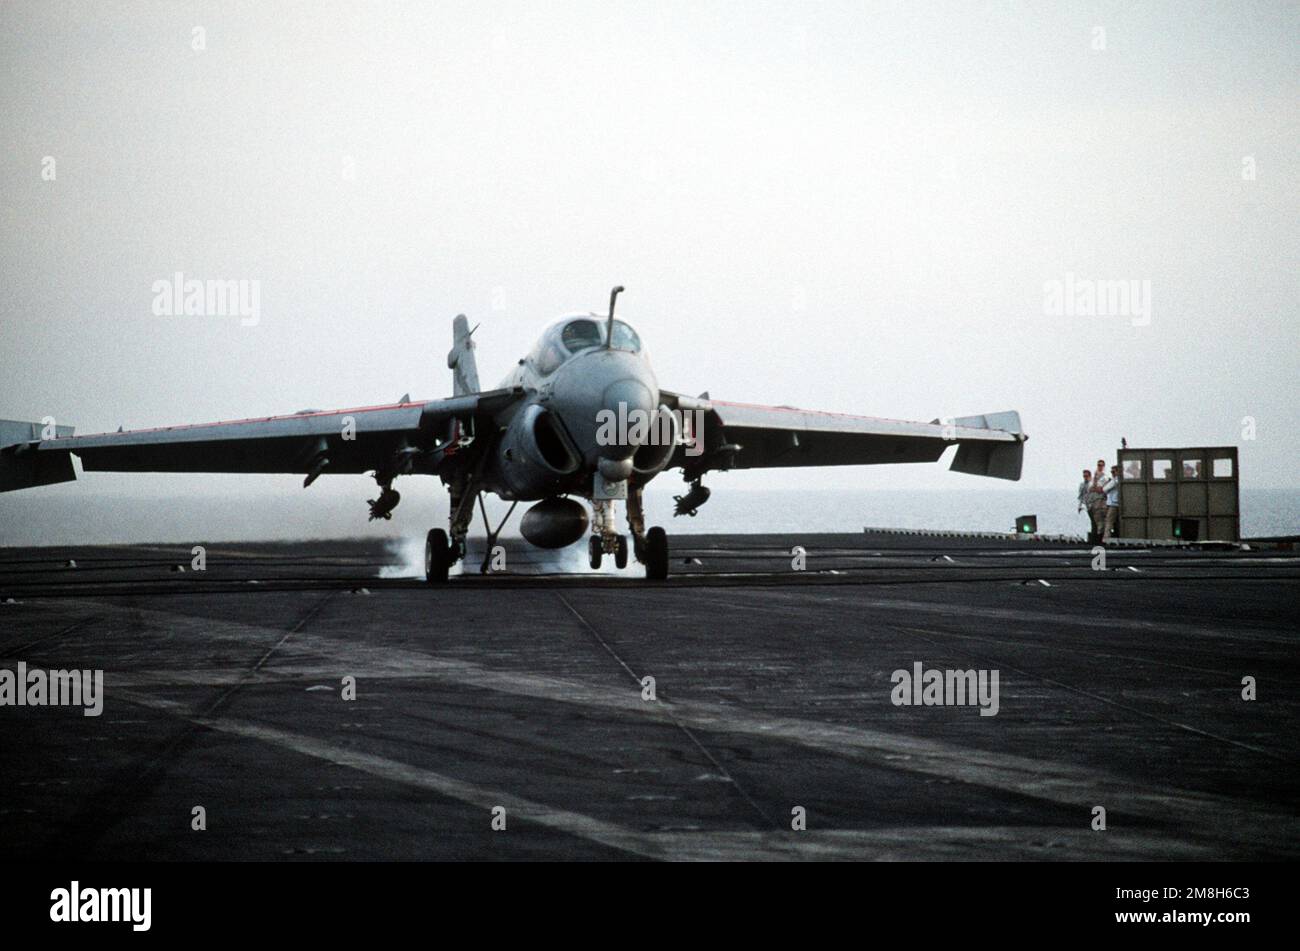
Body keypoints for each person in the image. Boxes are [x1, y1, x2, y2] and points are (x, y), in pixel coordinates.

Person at [1087, 461, 1109, 545]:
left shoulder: (1105, 477)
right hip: (1094, 503)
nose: (1099, 467)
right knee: (1096, 522)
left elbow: (1100, 489)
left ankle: (1101, 540)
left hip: (1101, 503)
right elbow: (1090, 489)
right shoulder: (1095, 478)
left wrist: (1095, 487)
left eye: (1101, 465)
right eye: (1098, 465)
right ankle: (1097, 539)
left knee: (1101, 522)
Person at [1099, 464, 1122, 542]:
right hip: (1115, 503)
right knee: (1116, 522)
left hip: (1114, 503)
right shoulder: (1118, 479)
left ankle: (1106, 538)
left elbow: (1105, 489)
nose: (1112, 473)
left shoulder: (1116, 480)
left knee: (1109, 521)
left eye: (1113, 471)